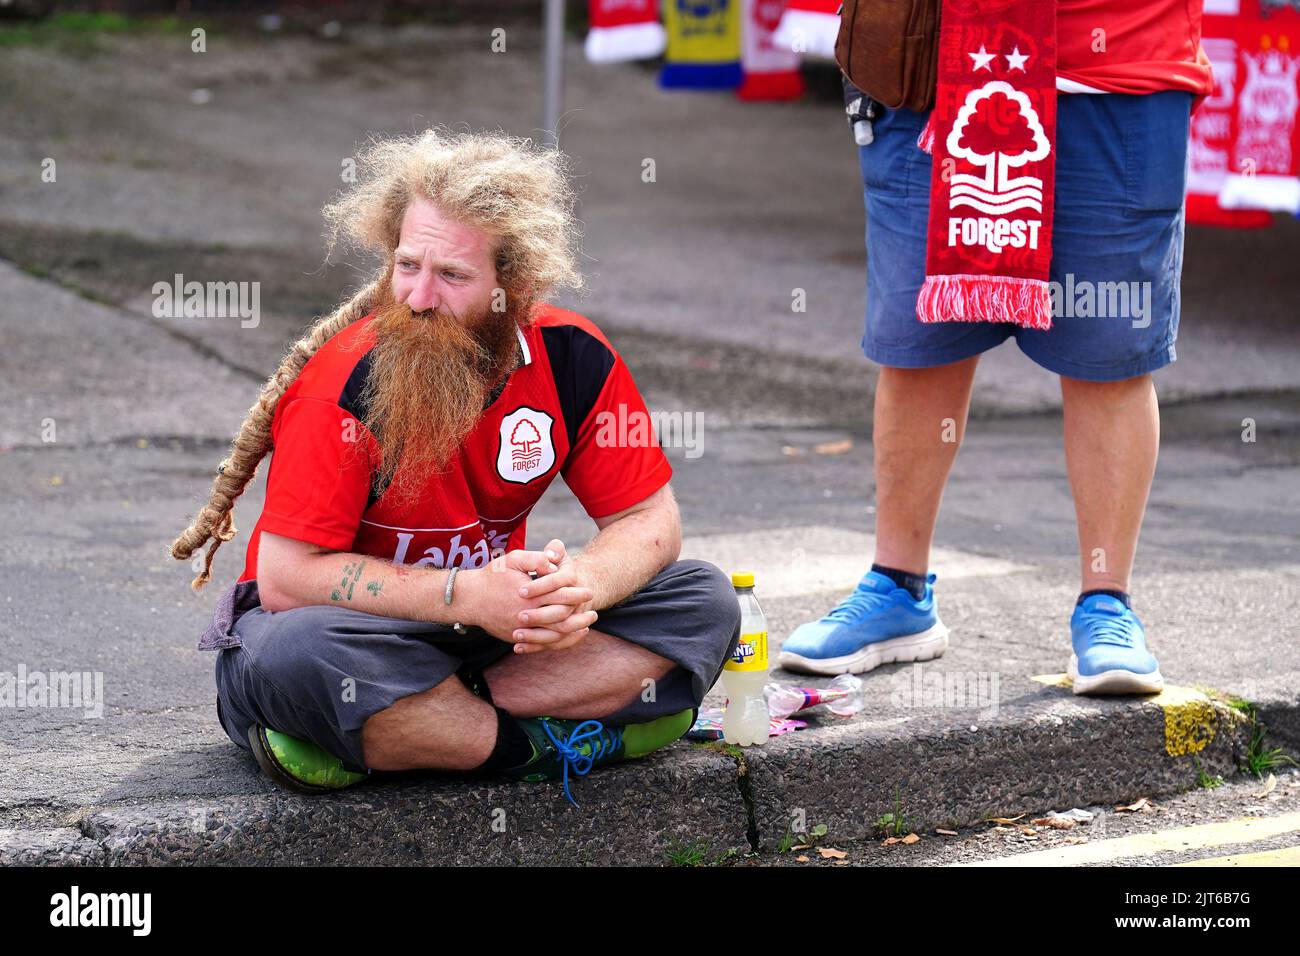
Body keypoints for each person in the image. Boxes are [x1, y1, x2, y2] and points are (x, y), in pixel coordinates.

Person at [172, 129, 740, 804]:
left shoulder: (573, 357)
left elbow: (649, 518)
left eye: (453, 276)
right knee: (300, 658)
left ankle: (412, 729)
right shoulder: (341, 386)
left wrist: (578, 588)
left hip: (490, 641)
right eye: (407, 265)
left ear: (518, 287)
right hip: (347, 632)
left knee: (703, 599)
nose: (416, 298)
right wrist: (461, 595)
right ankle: (535, 746)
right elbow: (289, 579)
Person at [781, 2, 1217, 695]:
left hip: (1115, 64)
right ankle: (898, 587)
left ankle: (1107, 602)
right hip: (933, 59)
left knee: (1110, 354)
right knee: (919, 344)